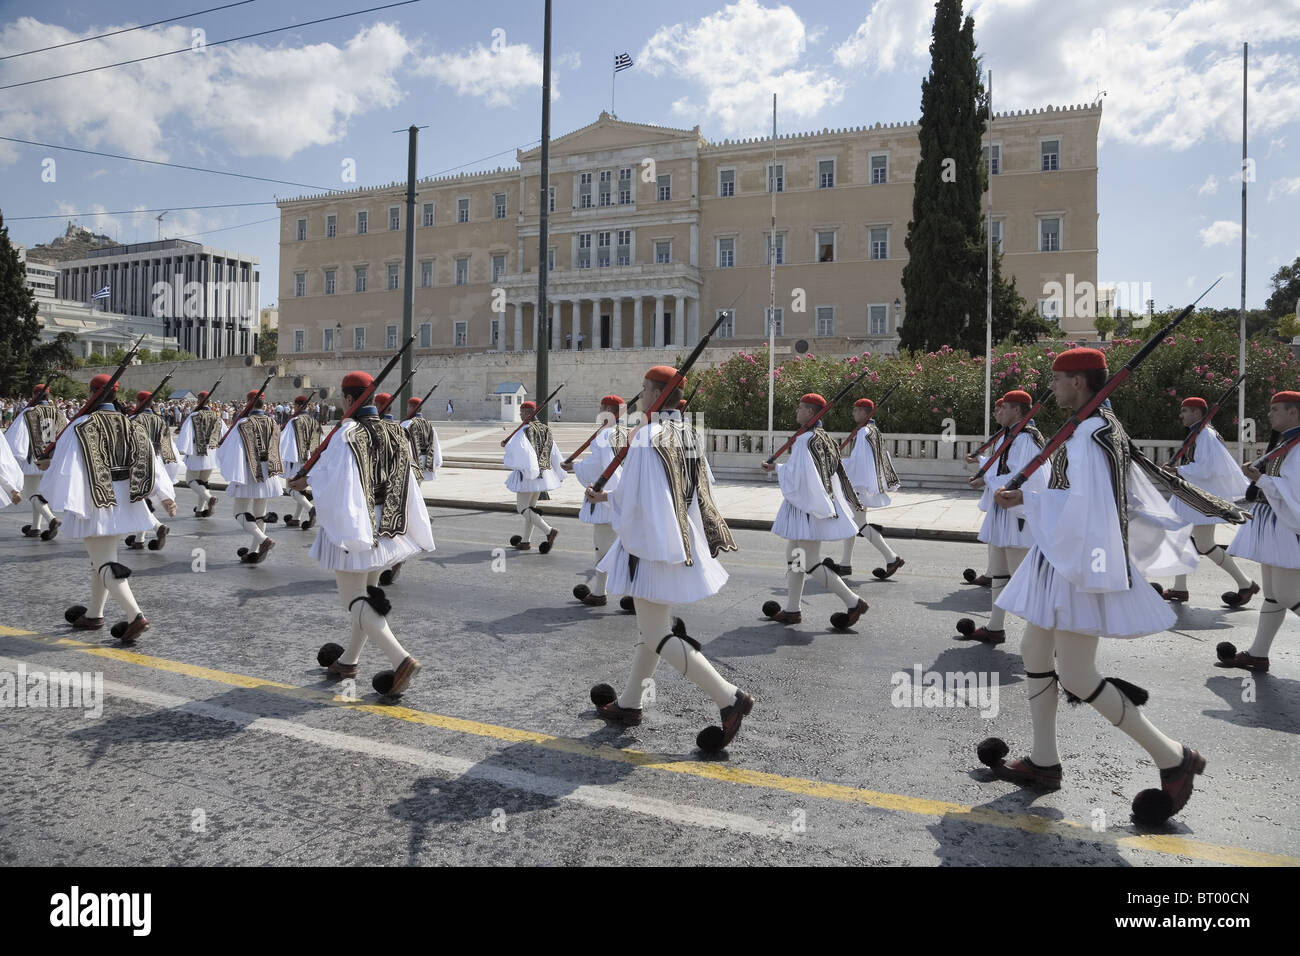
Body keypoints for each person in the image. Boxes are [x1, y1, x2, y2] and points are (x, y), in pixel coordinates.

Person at [981, 348, 1243, 825]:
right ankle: (1043, 760)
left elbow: (1089, 508)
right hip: (1062, 556)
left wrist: (1029, 501)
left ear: (1079, 382)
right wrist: (1031, 497)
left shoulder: (1092, 433)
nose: (1052, 388)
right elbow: (1073, 495)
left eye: (1058, 380)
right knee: (1035, 653)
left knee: (1078, 674)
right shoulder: (1090, 428)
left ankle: (1173, 757)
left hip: (1078, 560)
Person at [588, 365, 752, 753]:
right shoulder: (689, 433)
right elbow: (695, 491)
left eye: (646, 389)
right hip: (677, 539)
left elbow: (640, 500)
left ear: (659, 395)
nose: (641, 394)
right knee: (650, 629)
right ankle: (630, 703)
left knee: (658, 633)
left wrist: (608, 499)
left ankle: (729, 697)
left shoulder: (648, 436)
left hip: (651, 545)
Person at [295, 371, 433, 698]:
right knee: (367, 594)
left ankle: (401, 660)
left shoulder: (347, 433)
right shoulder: (395, 431)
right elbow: (409, 481)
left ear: (346, 399)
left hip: (356, 523)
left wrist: (305, 483)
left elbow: (336, 483)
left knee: (353, 599)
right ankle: (349, 660)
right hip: (389, 524)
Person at [37, 374, 177, 644]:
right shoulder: (132, 425)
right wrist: (164, 496)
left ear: (91, 394)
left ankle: (135, 615)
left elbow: (67, 467)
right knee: (100, 559)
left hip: (96, 500)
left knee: (103, 561)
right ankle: (94, 613)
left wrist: (47, 468)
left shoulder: (82, 425)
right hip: (127, 502)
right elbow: (151, 462)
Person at [759, 394, 870, 631]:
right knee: (795, 556)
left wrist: (776, 469)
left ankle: (853, 602)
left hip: (808, 506)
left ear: (810, 413)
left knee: (809, 561)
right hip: (811, 505)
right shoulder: (823, 438)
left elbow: (799, 476)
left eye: (800, 408)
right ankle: (792, 609)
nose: (797, 411)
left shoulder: (805, 439)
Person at [956, 390, 1048, 644]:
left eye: (1004, 407)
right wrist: (983, 472)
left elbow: (1028, 478)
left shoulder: (1026, 439)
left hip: (1016, 514)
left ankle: (1046, 638)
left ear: (1016, 411)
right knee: (999, 574)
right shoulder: (1012, 435)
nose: (999, 411)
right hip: (1003, 514)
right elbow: (1003, 469)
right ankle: (995, 628)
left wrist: (985, 478)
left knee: (1025, 579)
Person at [1217, 391, 1300, 672]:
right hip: (1275, 525)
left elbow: (1295, 492)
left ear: (1294, 412)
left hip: (1288, 527)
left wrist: (1261, 479)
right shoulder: (1289, 443)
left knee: (1289, 595)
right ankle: (1257, 654)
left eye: (1276, 409)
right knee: (1274, 595)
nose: (1269, 414)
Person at [1153, 397, 1254, 605]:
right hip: (1192, 495)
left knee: (1193, 540)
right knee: (1189, 539)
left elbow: (1206, 469)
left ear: (1198, 413)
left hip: (1198, 497)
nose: (1182, 415)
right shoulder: (1200, 434)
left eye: (1186, 411)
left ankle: (1245, 584)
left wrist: (1177, 470)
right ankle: (1183, 588)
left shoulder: (1205, 435)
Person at [829, 397, 904, 580]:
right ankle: (845, 564)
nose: (853, 413)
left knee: (859, 524)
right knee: (853, 522)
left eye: (856, 410)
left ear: (864, 412)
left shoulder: (864, 432)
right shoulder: (873, 431)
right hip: (864, 485)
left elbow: (859, 463)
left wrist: (839, 465)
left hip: (860, 486)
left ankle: (891, 557)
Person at [565, 394, 626, 607]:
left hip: (606, 499)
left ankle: (600, 593)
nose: (599, 411)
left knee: (603, 548)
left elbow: (598, 466)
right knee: (625, 548)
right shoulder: (627, 434)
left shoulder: (605, 435)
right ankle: (636, 595)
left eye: (602, 407)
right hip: (624, 499)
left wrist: (575, 467)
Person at [215, 390, 284, 564]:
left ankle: (264, 540)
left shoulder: (244, 423)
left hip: (248, 472)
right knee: (260, 514)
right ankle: (254, 552)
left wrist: (233, 470)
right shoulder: (272, 422)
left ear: (247, 402)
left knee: (239, 512)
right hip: (268, 471)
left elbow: (233, 449)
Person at [124, 390, 183, 552]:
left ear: (138, 401)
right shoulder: (160, 420)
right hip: (157, 462)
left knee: (138, 500)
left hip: (137, 464)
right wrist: (170, 472)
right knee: (144, 501)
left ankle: (158, 527)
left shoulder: (133, 420)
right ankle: (139, 539)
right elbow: (167, 448)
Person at [5, 384, 66, 540]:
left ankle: (51, 519)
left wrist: (15, 457)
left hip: (34, 459)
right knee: (39, 493)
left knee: (31, 492)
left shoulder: (28, 413)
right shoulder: (59, 413)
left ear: (34, 395)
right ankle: (35, 527)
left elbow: (17, 439)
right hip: (52, 460)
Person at [503, 400, 565, 553]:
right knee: (531, 509)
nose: (520, 414)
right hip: (543, 474)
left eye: (522, 412)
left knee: (522, 508)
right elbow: (554, 452)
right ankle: (525, 541)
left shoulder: (523, 430)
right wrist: (559, 471)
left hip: (528, 474)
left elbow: (519, 451)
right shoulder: (545, 429)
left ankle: (549, 530)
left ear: (527, 413)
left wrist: (507, 445)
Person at [175, 393, 223, 517]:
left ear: (201, 400)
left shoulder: (194, 415)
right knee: (203, 482)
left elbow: (186, 434)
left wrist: (182, 449)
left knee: (191, 480)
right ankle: (200, 510)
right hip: (212, 452)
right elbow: (224, 434)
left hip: (197, 451)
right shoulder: (217, 416)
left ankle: (209, 498)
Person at [279, 394, 322, 530]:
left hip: (296, 459)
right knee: (301, 489)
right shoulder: (315, 421)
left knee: (290, 488)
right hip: (311, 460)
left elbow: (287, 441)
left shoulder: (294, 421)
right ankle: (296, 518)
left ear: (297, 406)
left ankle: (311, 509)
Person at [402, 397, 441, 476]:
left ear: (412, 407)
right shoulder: (429, 424)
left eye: (408, 407)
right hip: (426, 460)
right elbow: (435, 444)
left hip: (412, 462)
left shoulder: (406, 424)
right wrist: (437, 462)